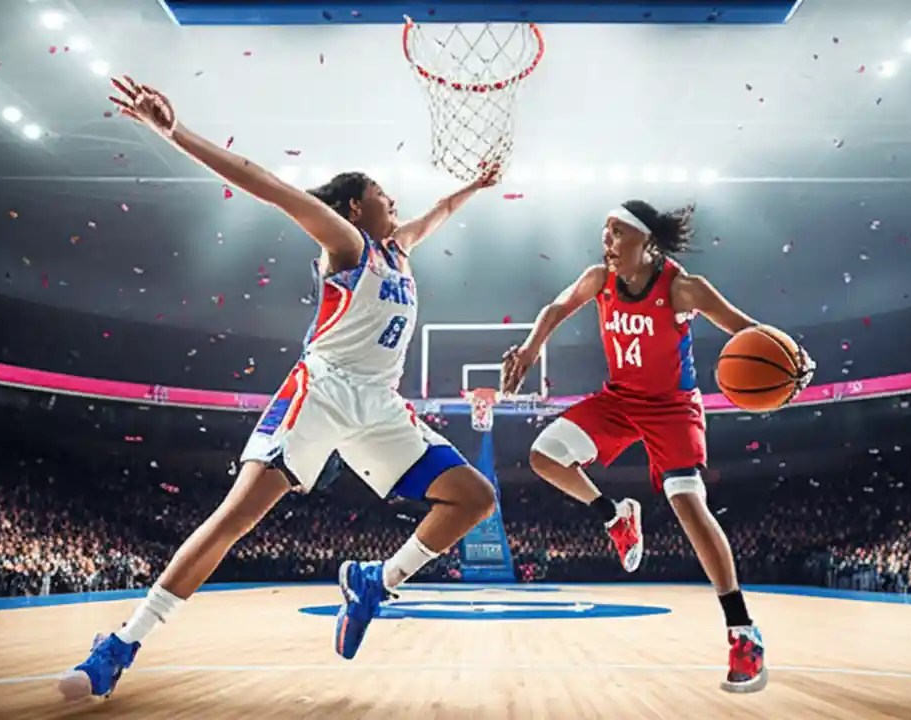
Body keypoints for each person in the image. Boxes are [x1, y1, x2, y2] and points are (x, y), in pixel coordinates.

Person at [59, 76, 501, 699]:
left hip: (378, 404)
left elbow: (439, 213)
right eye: (379, 191)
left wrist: (473, 188)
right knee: (234, 518)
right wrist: (173, 131)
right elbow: (262, 183)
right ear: (353, 208)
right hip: (320, 392)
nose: (391, 197)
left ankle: (377, 580)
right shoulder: (348, 245)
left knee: (474, 499)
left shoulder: (400, 249)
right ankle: (122, 644)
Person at [501, 200, 813, 694]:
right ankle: (614, 516)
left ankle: (742, 633)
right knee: (544, 456)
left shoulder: (684, 288)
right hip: (620, 400)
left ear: (646, 241)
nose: (607, 241)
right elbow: (555, 307)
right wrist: (531, 347)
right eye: (604, 231)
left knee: (687, 503)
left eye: (617, 232)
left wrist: (794, 360)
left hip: (672, 406)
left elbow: (745, 329)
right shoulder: (598, 279)